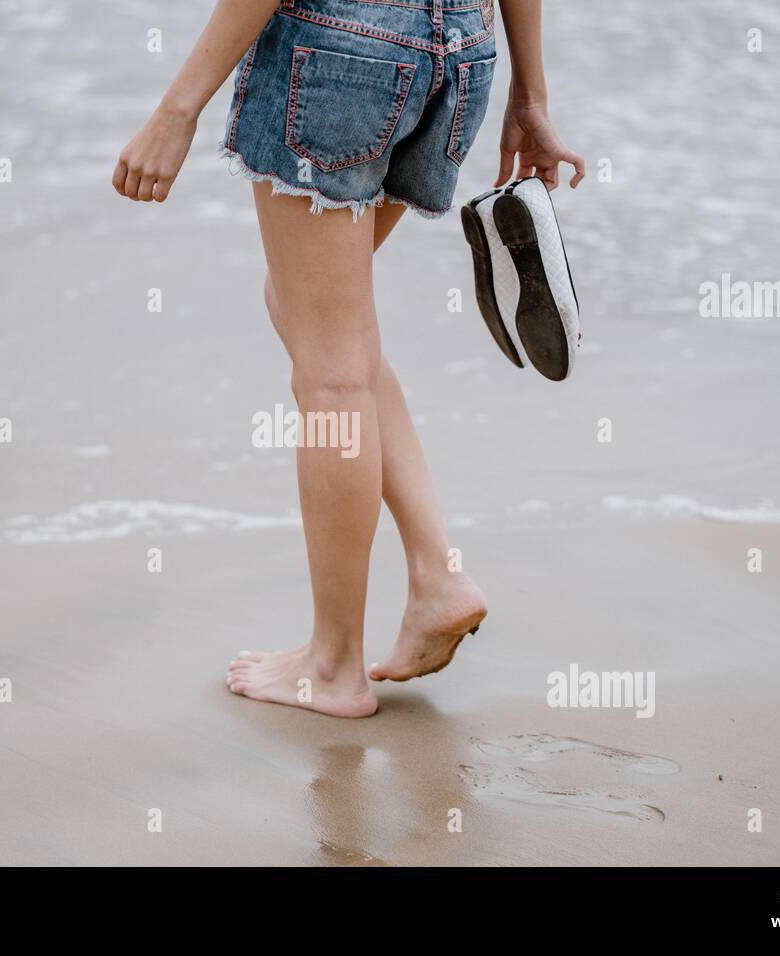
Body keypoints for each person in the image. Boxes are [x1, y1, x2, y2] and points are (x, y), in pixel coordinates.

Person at [113, 0, 583, 717]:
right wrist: (530, 96)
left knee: (331, 373)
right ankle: (436, 576)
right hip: (460, 51)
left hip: (342, 51)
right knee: (312, 319)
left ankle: (333, 666)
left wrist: (178, 110)